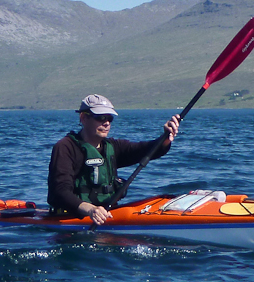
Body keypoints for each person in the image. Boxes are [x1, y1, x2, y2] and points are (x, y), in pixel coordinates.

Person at [47, 94, 180, 224]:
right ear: (83, 118)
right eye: (100, 118)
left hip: (107, 216)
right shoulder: (65, 147)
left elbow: (146, 150)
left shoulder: (113, 147)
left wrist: (165, 138)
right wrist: (91, 210)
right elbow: (59, 192)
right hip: (72, 218)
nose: (106, 123)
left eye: (110, 119)